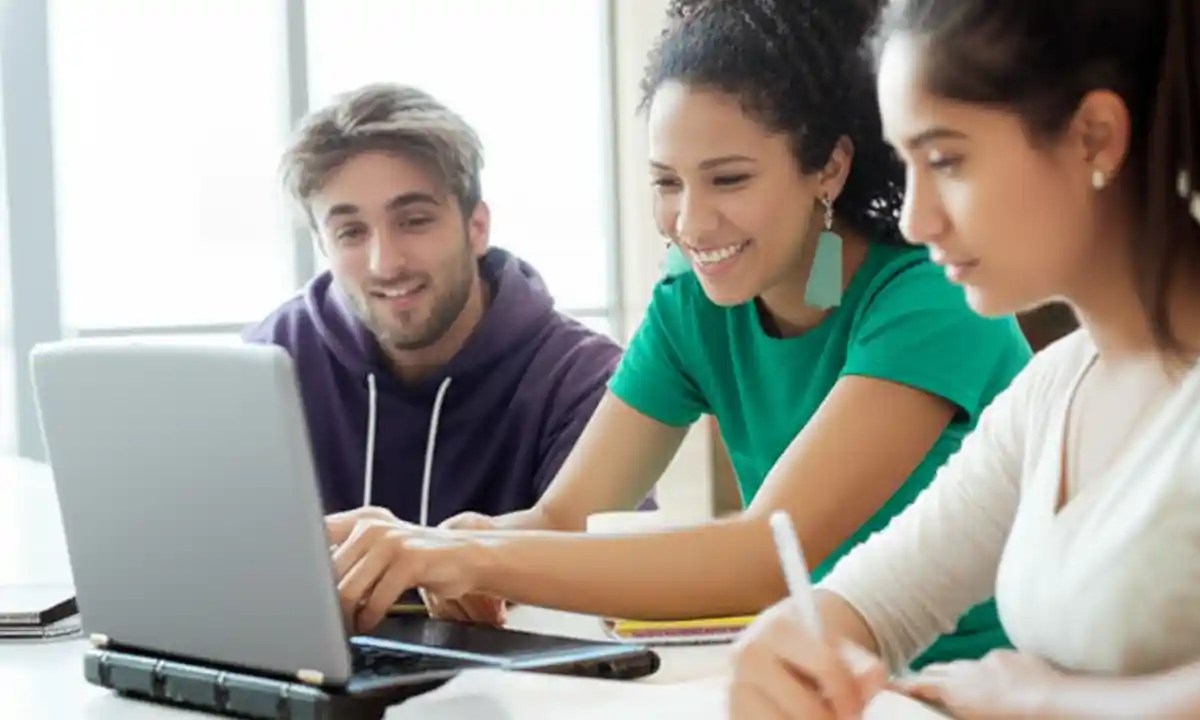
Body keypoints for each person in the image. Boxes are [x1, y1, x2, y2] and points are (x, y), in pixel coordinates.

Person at [325, 0, 1030, 668]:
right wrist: (423, 544)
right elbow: (568, 515)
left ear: (829, 167)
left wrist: (471, 559)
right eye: (667, 183)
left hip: (986, 686)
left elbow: (763, 556)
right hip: (820, 679)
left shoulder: (936, 298)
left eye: (727, 179)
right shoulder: (694, 299)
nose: (691, 223)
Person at [727, 0, 1200, 717]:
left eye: (947, 160)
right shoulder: (1054, 388)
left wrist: (1043, 705)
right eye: (906, 164)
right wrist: (786, 647)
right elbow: (873, 601)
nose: (915, 219)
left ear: (1094, 137)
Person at [246, 83, 622, 529]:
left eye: (414, 221)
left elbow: (605, 575)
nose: (385, 263)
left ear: (477, 227)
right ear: (322, 245)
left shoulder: (581, 380)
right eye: (351, 232)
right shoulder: (270, 365)